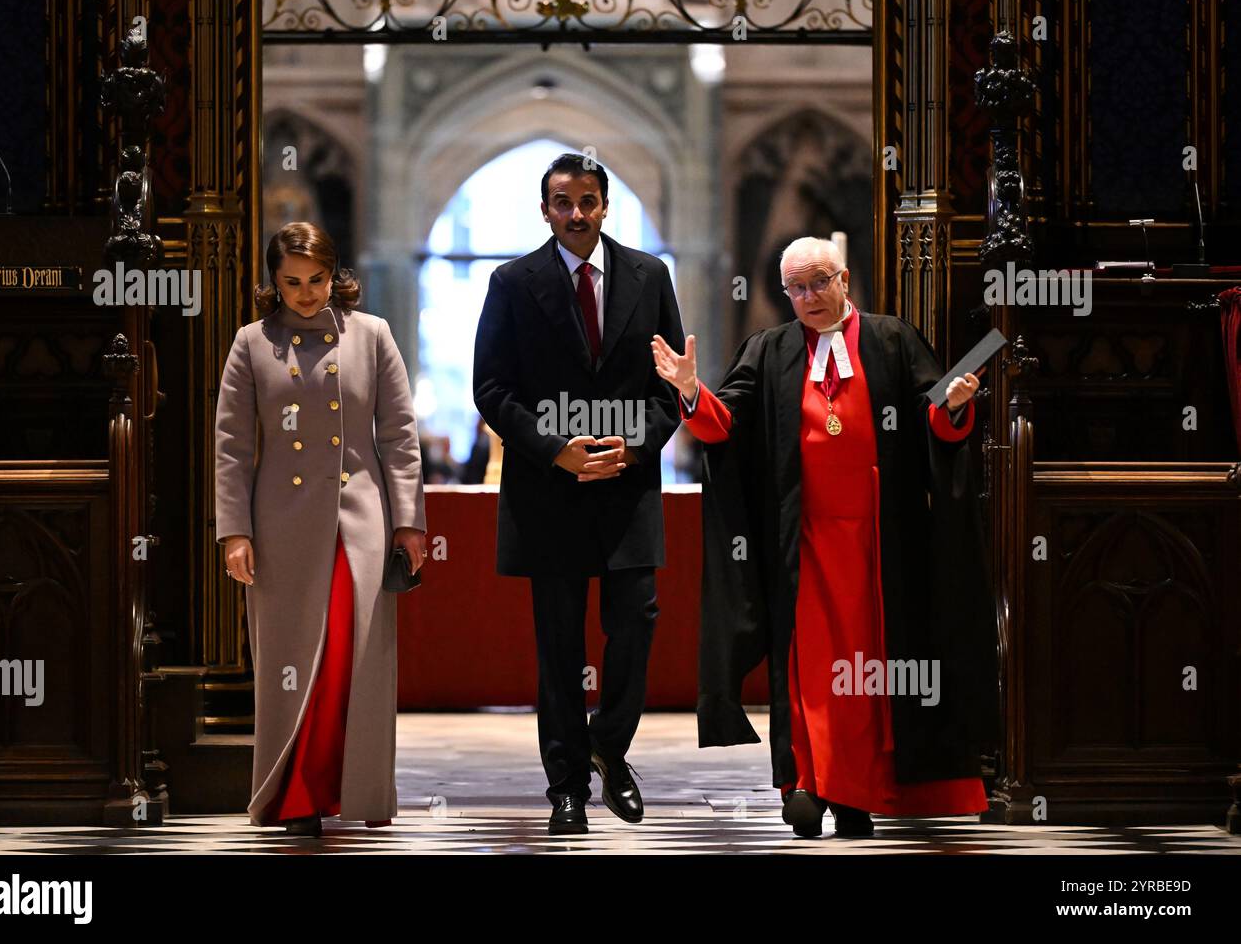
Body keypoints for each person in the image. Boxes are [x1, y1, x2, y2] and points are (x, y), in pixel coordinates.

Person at [652, 236, 999, 838]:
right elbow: (725, 426)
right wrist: (690, 391)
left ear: (846, 280)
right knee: (813, 672)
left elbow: (934, 416)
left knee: (867, 673)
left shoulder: (891, 340)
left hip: (878, 545)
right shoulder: (770, 349)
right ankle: (810, 782)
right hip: (803, 543)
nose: (809, 297)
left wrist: (954, 407)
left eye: (819, 282)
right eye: (796, 288)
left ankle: (857, 794)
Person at [473, 153, 686, 835]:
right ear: (545, 210)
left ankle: (609, 744)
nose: (575, 213)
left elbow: (671, 386)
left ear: (604, 205)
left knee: (636, 624)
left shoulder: (652, 276)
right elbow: (491, 387)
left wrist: (636, 444)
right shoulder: (512, 282)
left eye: (587, 200)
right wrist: (555, 450)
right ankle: (565, 786)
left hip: (628, 485)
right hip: (550, 490)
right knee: (560, 647)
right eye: (562, 202)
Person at [214, 221, 427, 837]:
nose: (306, 294)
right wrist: (234, 531)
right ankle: (297, 797)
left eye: (317, 280)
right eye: (292, 283)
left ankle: (355, 791)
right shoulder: (251, 343)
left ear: (336, 277)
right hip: (280, 530)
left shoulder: (373, 336)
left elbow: (399, 436)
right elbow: (231, 446)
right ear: (272, 283)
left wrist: (410, 522)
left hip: (360, 524)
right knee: (291, 661)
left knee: (351, 659)